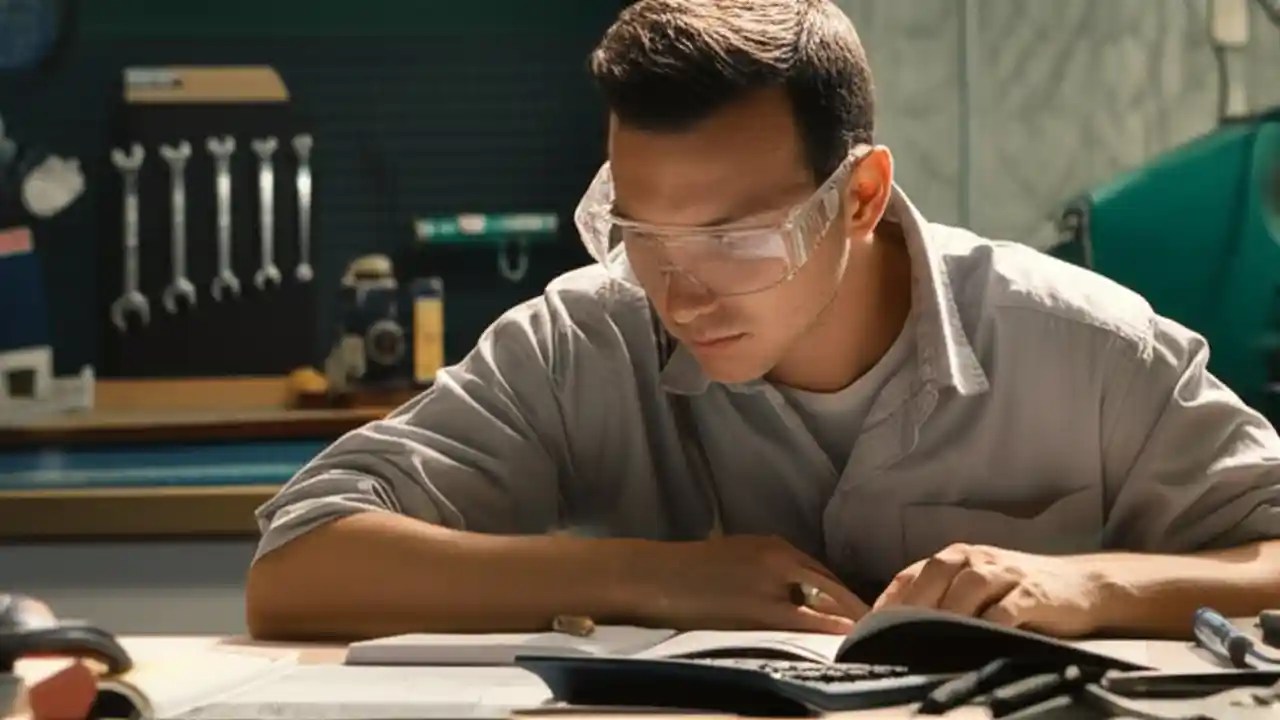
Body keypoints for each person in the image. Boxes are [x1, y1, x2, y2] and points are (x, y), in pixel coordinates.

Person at [245, 0, 1280, 642]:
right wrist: (654, 578)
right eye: (641, 230)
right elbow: (298, 567)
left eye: (736, 238)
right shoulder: (584, 337)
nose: (679, 293)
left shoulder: (1081, 346)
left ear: (861, 197)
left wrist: (1087, 583)